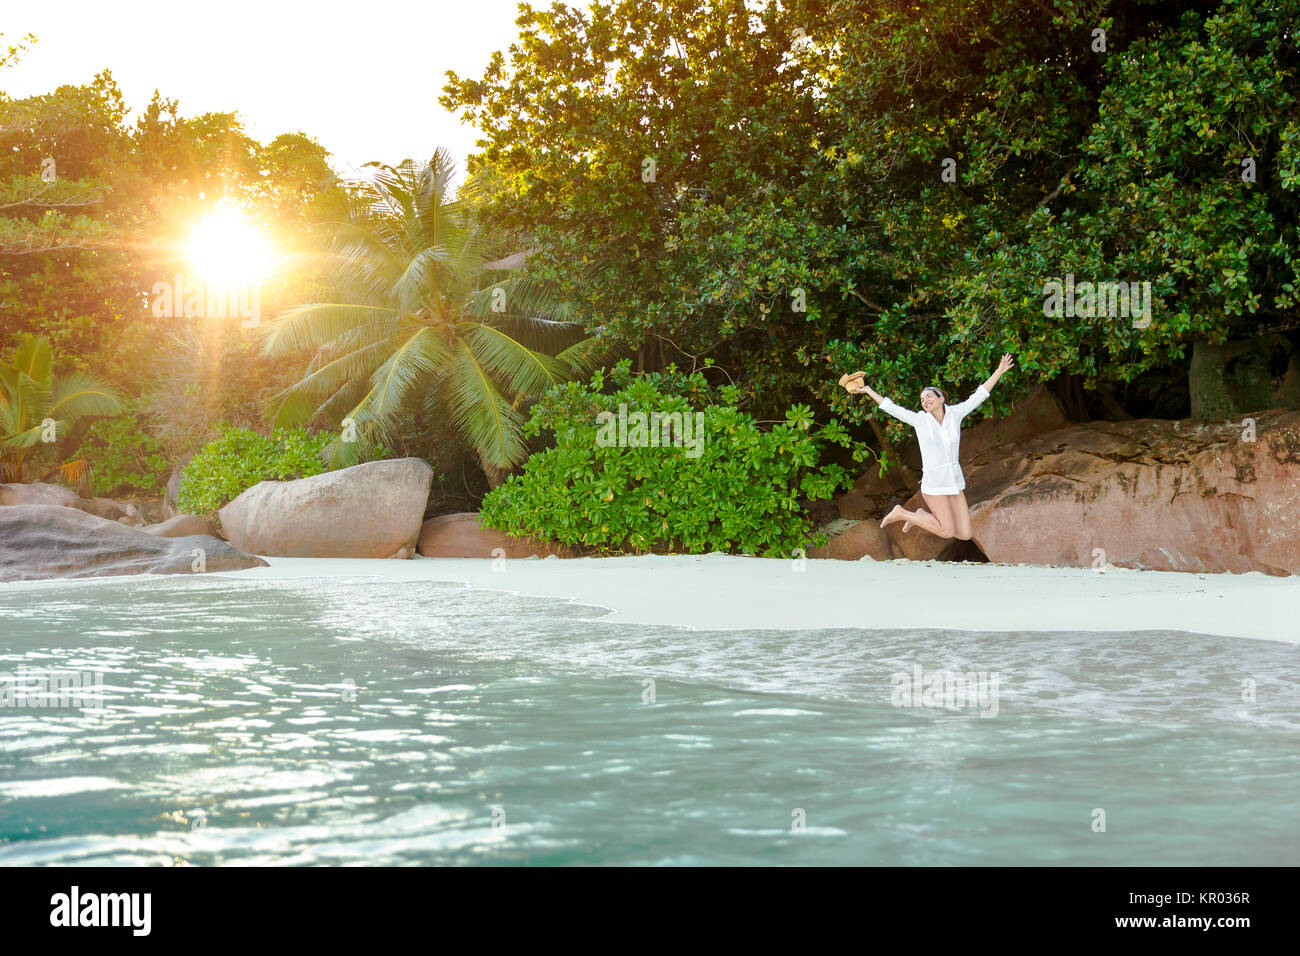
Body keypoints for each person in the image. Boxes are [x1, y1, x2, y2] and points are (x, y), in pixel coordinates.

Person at [838, 354, 1014, 540]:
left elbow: (980, 394)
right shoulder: (920, 420)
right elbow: (891, 408)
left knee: (964, 534)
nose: (925, 401)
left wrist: (1000, 370)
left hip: (953, 480)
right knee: (946, 532)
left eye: (929, 396)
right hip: (934, 481)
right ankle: (902, 513)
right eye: (922, 399)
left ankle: (921, 516)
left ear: (941, 399)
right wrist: (868, 390)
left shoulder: (955, 414)